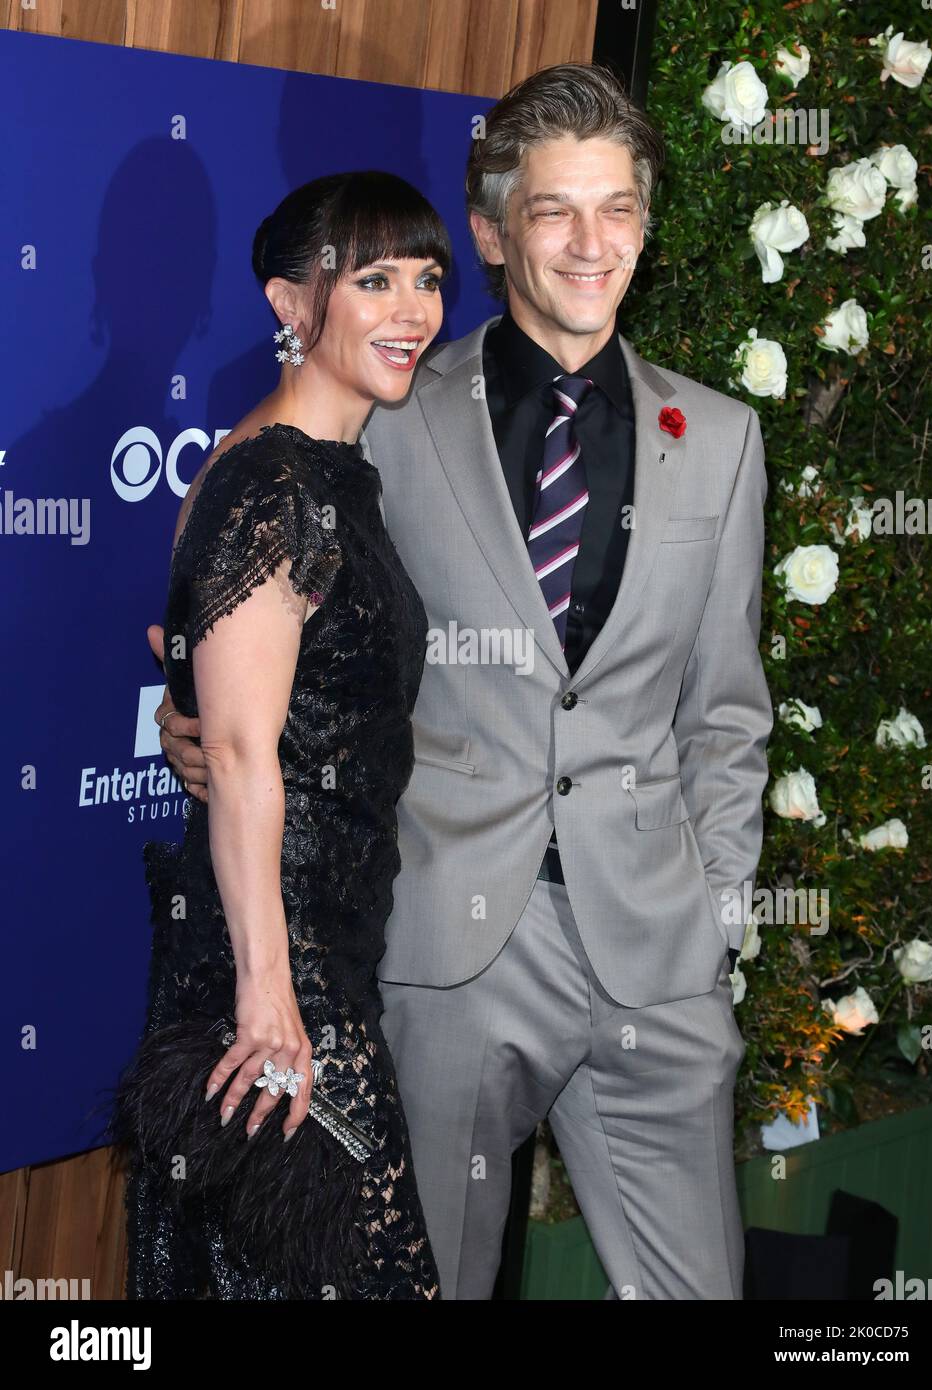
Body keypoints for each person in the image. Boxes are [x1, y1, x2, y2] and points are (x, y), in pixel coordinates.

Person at [157, 63, 774, 1301]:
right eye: (554, 211)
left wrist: (710, 913)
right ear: (494, 233)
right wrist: (200, 727)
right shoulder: (386, 405)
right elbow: (238, 621)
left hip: (654, 957)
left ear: (645, 229)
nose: (590, 243)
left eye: (618, 209)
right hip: (446, 956)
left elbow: (724, 714)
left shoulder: (716, 440)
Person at [111, 170, 448, 1300]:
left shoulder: (323, 474)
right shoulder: (277, 485)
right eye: (372, 280)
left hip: (320, 961)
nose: (410, 309)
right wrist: (268, 999)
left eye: (426, 279)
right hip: (280, 986)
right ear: (288, 304)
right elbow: (246, 751)